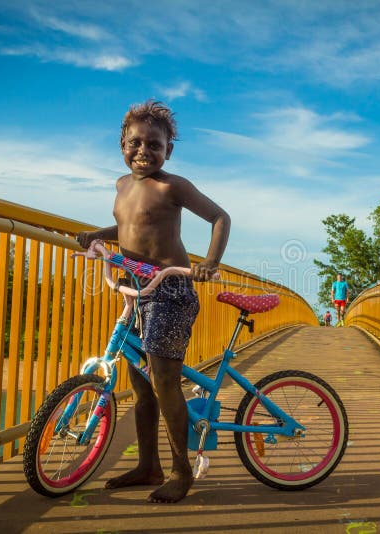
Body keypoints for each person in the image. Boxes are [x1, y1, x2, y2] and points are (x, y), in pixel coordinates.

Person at [76, 100, 230, 504]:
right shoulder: (121, 186)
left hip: (170, 291)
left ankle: (182, 472)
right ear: (122, 145)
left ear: (168, 151)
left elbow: (220, 218)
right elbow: (132, 224)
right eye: (134, 143)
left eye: (154, 145)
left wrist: (208, 263)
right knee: (141, 388)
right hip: (136, 288)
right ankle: (149, 465)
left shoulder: (172, 185)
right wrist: (100, 233)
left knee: (163, 383)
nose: (143, 151)